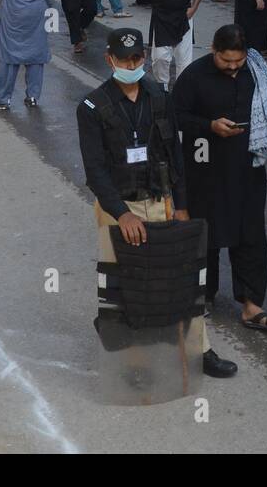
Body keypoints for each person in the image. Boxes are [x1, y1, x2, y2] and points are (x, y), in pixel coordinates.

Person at [76, 29, 237, 379]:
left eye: (137, 59)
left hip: (160, 200)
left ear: (144, 58)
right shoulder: (92, 107)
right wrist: (122, 214)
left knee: (181, 277)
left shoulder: (159, 97)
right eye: (124, 59)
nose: (131, 65)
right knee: (126, 284)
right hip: (119, 206)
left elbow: (175, 155)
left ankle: (200, 349)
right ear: (110, 60)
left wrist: (180, 204)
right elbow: (95, 171)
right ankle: (132, 361)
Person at [173, 24, 267, 331]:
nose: (234, 68)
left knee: (250, 232)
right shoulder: (194, 76)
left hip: (248, 166)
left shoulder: (255, 70)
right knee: (206, 233)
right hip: (205, 167)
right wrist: (210, 125)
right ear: (213, 51)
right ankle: (201, 295)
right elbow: (176, 116)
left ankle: (251, 304)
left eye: (238, 62)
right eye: (227, 62)